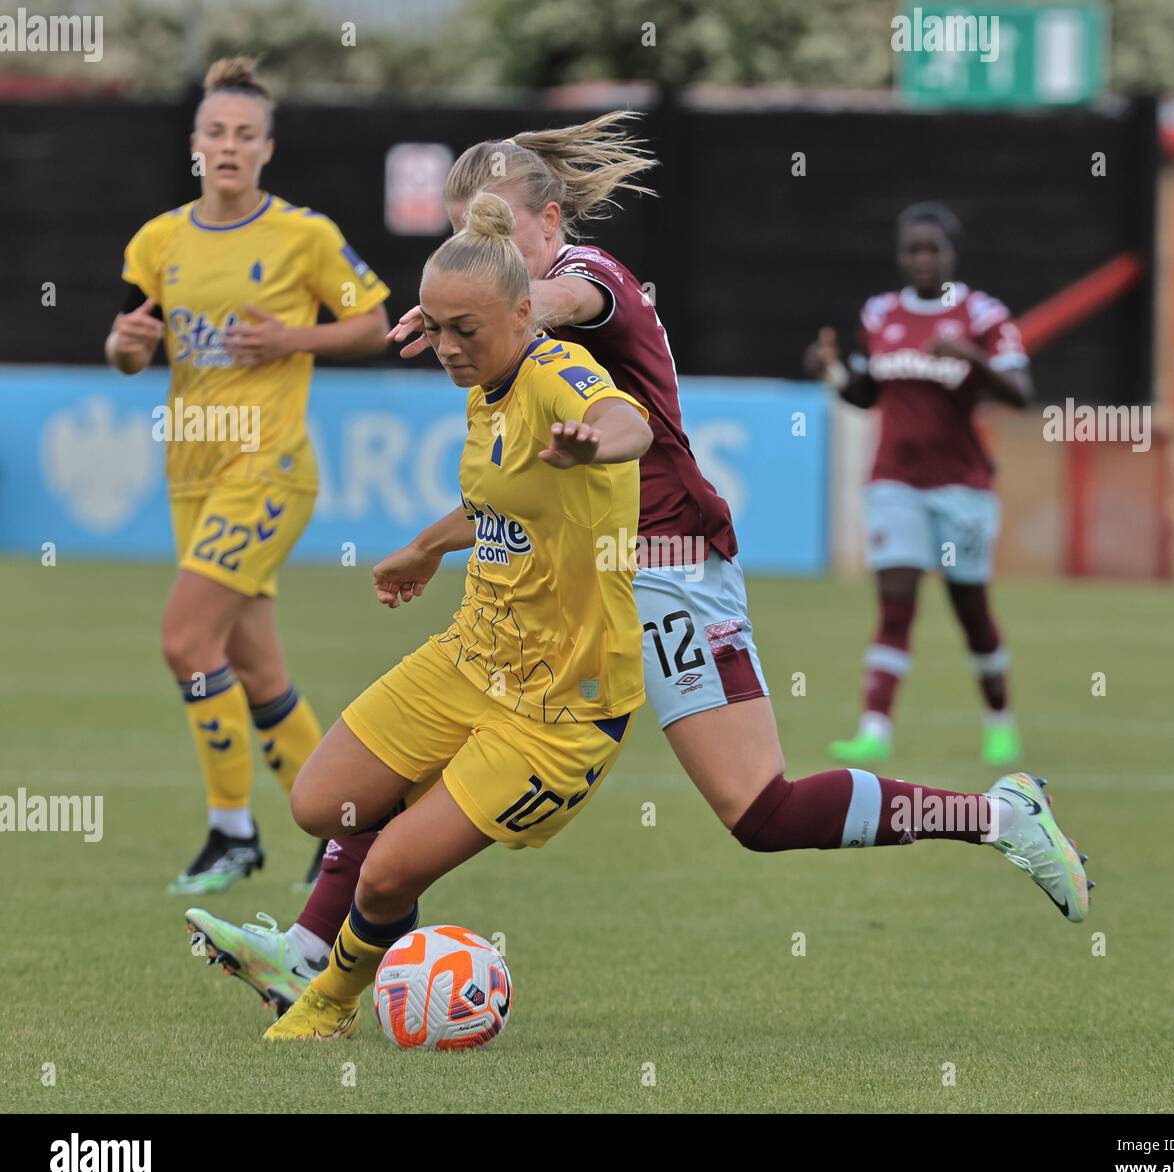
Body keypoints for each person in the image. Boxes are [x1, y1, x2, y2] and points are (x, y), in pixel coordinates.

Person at [187, 122, 1090, 1021]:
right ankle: (311, 953)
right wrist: (433, 534)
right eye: (464, 240)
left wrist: (484, 311)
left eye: (496, 236)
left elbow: (566, 308)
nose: (482, 254)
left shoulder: (591, 281)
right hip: (566, 581)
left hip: (665, 566)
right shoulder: (500, 339)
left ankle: (1000, 816)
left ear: (549, 218)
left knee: (760, 811)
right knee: (415, 759)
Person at [261, 190, 653, 1039]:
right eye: (434, 327)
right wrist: (429, 546)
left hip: (563, 709)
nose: (444, 348)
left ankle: (327, 998)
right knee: (319, 803)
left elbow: (626, 423)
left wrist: (597, 439)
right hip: (471, 658)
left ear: (522, 313)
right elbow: (505, 503)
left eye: (463, 330)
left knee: (386, 872)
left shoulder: (558, 377)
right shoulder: (487, 381)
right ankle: (378, 914)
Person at [107, 57, 390, 893]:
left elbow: (373, 323)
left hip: (269, 469)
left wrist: (292, 340)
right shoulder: (158, 241)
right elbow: (130, 345)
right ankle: (352, 832)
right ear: (195, 147)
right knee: (257, 669)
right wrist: (124, 351)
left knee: (184, 640)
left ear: (267, 149)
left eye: (244, 135)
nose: (228, 146)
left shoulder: (303, 236)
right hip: (190, 474)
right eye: (215, 133)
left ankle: (233, 832)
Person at [807, 202, 1033, 768]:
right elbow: (866, 393)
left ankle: (999, 721)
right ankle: (874, 728)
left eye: (933, 249)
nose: (923, 259)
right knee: (895, 604)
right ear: (901, 255)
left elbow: (1021, 393)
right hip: (894, 482)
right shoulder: (881, 313)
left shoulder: (982, 314)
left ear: (952, 253)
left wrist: (972, 358)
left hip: (961, 485)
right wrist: (831, 372)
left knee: (971, 610)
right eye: (913, 249)